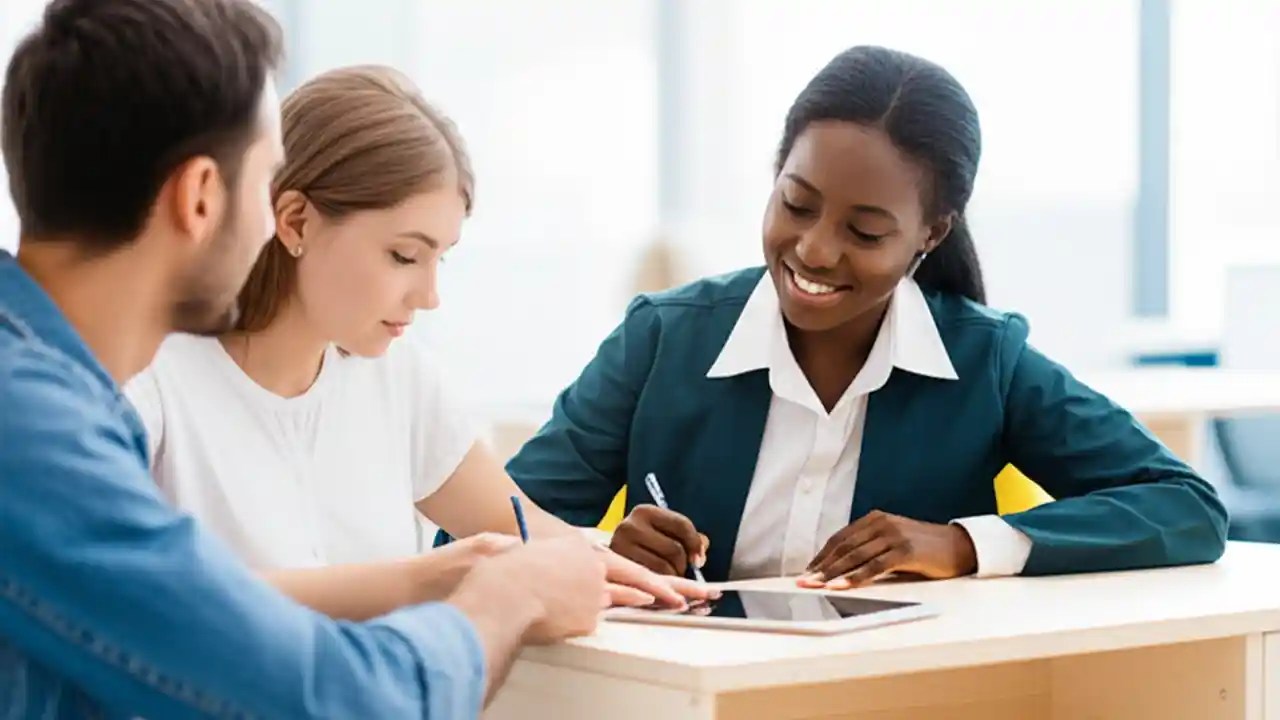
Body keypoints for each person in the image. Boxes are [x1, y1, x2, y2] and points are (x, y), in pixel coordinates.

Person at [0, 2, 607, 717]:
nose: (274, 219)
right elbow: (333, 698)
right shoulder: (32, 428)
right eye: (267, 181)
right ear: (200, 197)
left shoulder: (57, 403)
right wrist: (505, 598)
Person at [508, 45, 1229, 589]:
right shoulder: (661, 340)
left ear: (931, 233)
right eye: (796, 204)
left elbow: (1187, 507)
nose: (815, 249)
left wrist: (959, 545)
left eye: (865, 231)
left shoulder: (985, 362)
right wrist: (601, 554)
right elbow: (475, 533)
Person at [123, 64, 709, 620]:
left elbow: (524, 530)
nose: (429, 296)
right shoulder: (151, 374)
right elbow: (152, 596)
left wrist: (641, 580)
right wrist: (423, 579)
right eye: (404, 255)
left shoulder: (399, 379)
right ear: (296, 221)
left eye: (439, 259)